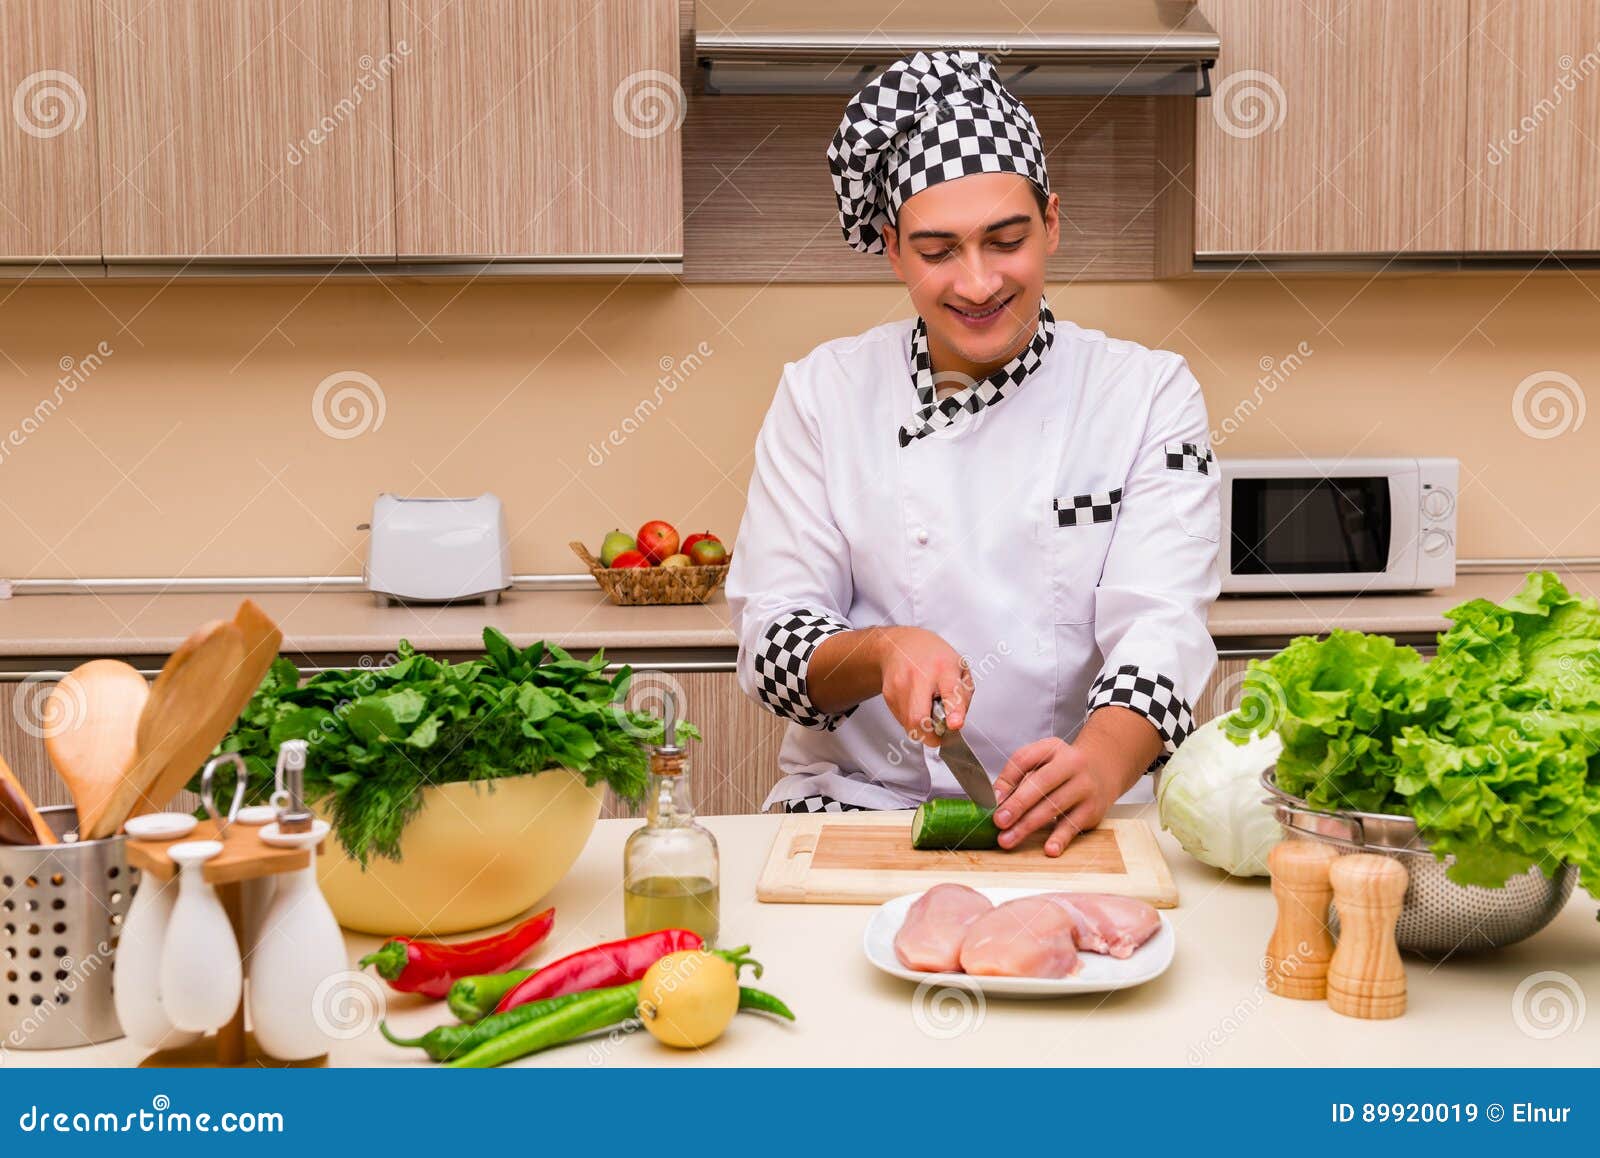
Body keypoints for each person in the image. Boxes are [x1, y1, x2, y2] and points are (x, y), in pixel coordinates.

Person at [725, 50, 1221, 856]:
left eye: (1006, 239)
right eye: (938, 250)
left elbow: (1162, 628)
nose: (979, 281)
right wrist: (882, 650)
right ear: (892, 249)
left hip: (1081, 814)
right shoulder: (823, 394)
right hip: (860, 808)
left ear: (1052, 223)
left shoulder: (1148, 394)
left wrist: (1097, 765)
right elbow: (770, 643)